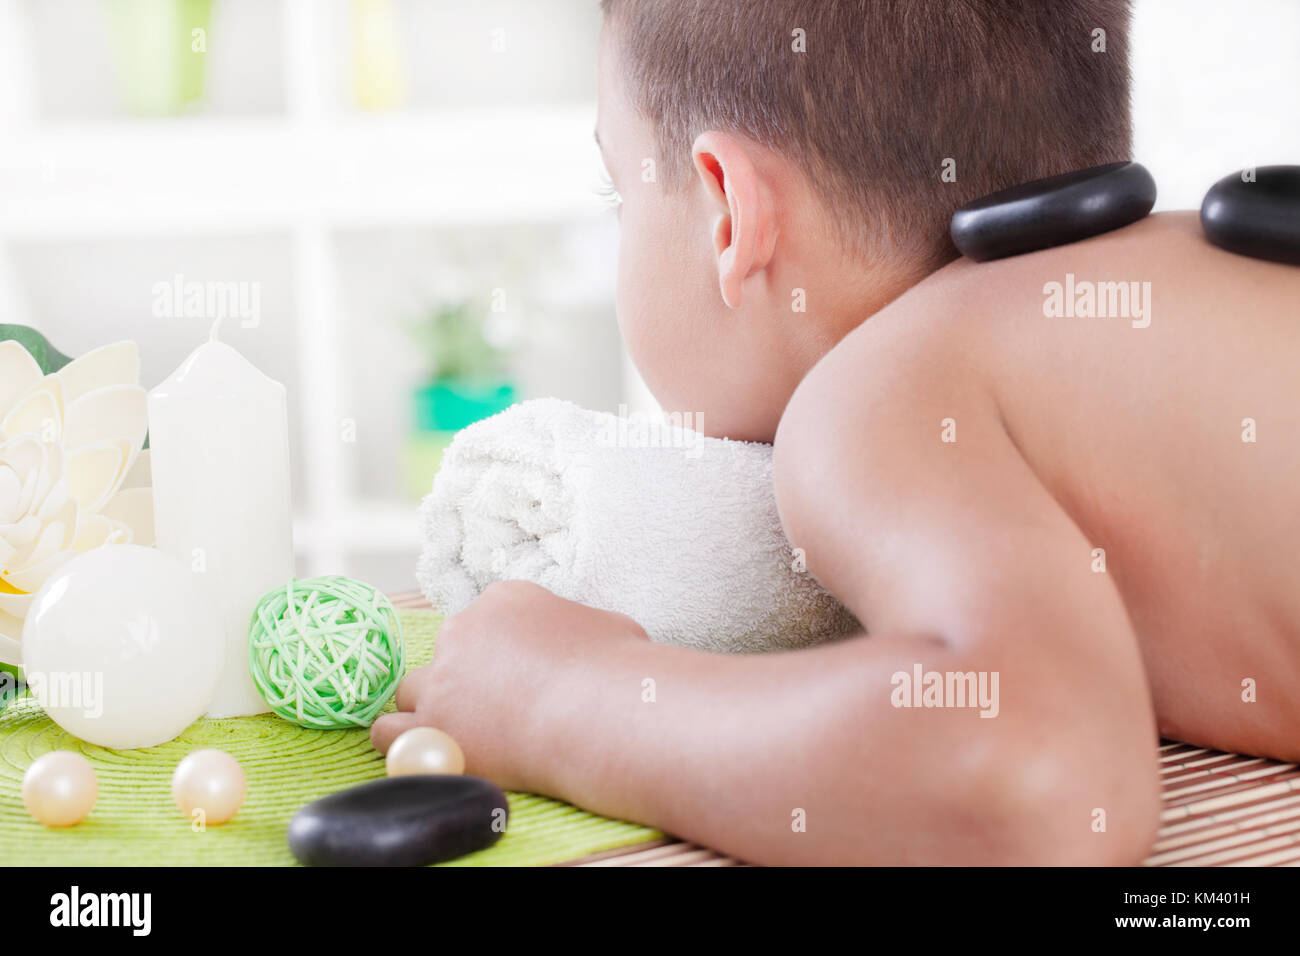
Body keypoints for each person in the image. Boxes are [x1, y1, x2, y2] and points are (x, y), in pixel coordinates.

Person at [373, 0, 1300, 865]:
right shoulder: (1135, 297)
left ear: (730, 212)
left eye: (620, 196)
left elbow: (1038, 778)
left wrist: (554, 699)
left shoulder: (885, 390)